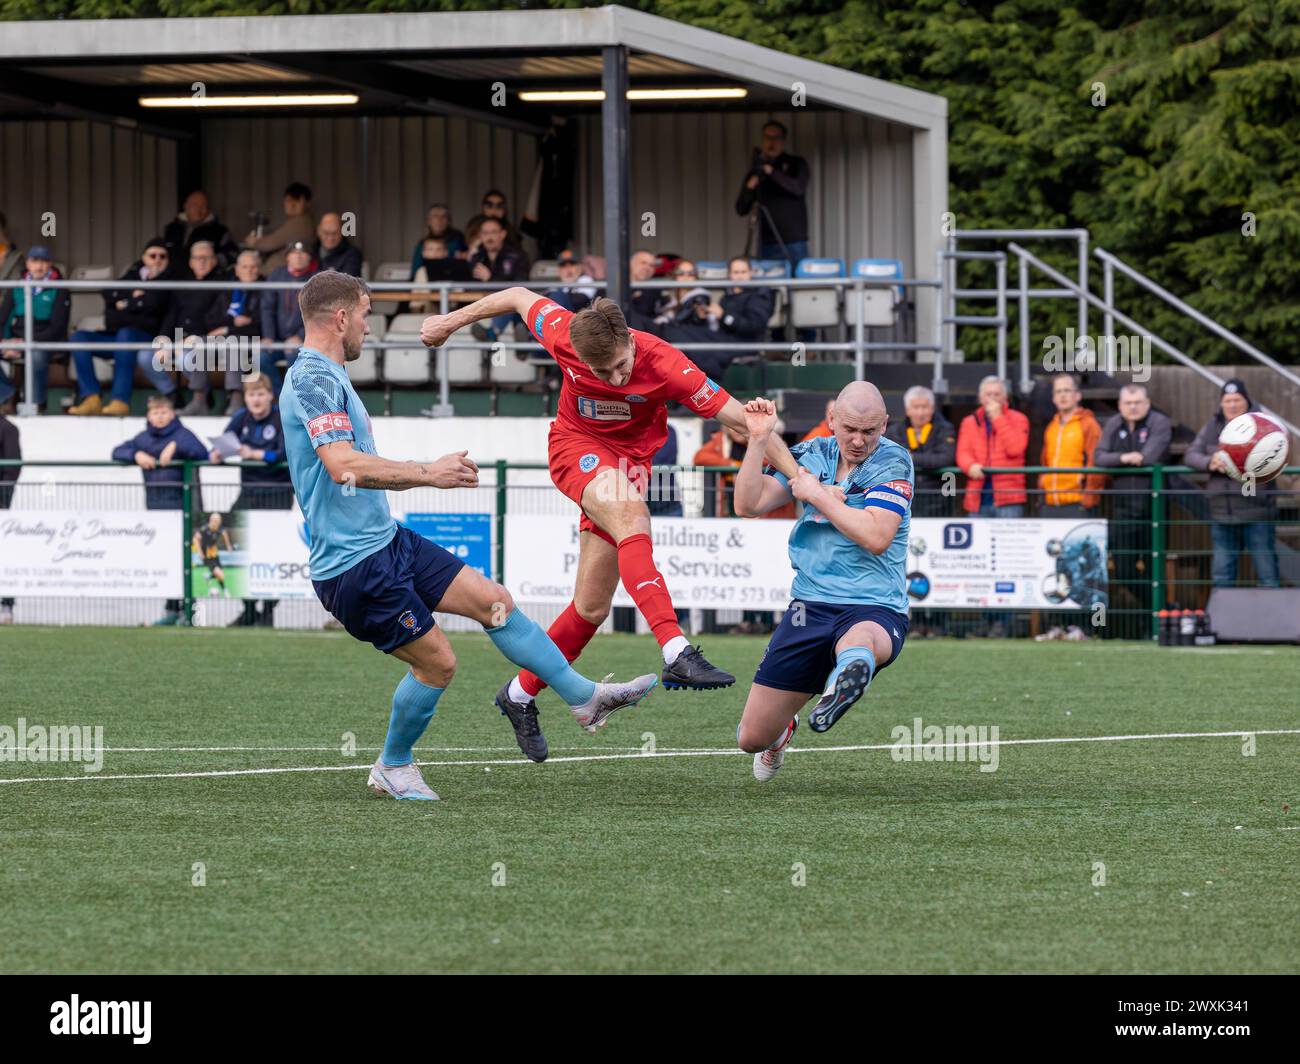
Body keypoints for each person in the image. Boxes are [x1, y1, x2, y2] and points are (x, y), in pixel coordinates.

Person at [280, 271, 657, 798]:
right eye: (365, 314)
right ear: (340, 317)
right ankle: (393, 764)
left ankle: (583, 697)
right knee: (438, 663)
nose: (369, 326)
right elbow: (342, 464)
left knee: (493, 601)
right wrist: (428, 472)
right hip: (353, 567)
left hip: (385, 542)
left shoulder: (330, 375)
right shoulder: (312, 379)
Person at [419, 290, 800, 745]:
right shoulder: (562, 335)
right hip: (575, 450)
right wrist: (450, 322)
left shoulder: (667, 364)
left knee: (591, 608)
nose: (616, 379)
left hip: (629, 468)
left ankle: (518, 695)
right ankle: (676, 648)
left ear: (631, 342)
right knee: (634, 516)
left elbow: (745, 423)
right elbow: (519, 297)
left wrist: (803, 483)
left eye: (621, 366)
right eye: (602, 371)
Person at [731, 383, 912, 782]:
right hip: (808, 607)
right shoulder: (813, 453)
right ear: (831, 419)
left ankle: (845, 679)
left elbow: (876, 537)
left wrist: (817, 494)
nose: (859, 440)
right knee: (751, 738)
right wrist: (759, 441)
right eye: (849, 429)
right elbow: (748, 504)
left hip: (874, 605)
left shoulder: (893, 462)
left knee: (861, 641)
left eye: (870, 431)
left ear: (884, 425)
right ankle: (782, 733)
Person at [110, 393, 209, 625]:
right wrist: (135, 454)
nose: (160, 417)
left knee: (186, 560)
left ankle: (188, 610)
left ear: (172, 413)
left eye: (164, 412)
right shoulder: (143, 439)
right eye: (156, 412)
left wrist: (176, 447)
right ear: (148, 415)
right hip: (156, 510)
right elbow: (116, 452)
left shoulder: (182, 435)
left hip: (184, 508)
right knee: (167, 560)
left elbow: (201, 452)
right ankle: (171, 610)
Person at [209, 373, 292, 627]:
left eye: (259, 394)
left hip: (277, 491)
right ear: (244, 398)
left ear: (269, 396)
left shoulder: (281, 419)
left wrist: (254, 454)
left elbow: (282, 453)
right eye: (250, 395)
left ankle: (267, 611)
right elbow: (223, 443)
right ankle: (247, 608)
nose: (255, 399)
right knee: (236, 546)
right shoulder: (240, 418)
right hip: (248, 492)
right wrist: (216, 453)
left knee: (273, 551)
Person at [1185, 379, 1280, 588]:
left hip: (1257, 512)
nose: (1232, 405)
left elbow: (1277, 456)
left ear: (1246, 401)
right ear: (1222, 403)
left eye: (1237, 400)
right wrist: (1210, 462)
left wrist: (1238, 461)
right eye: (1227, 401)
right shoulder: (1212, 425)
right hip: (1222, 513)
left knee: (1268, 575)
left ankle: (1273, 621)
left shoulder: (1263, 424)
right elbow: (1191, 454)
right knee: (1222, 576)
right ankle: (1223, 621)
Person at [1094, 383, 1172, 635]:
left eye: (1137, 402)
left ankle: (1155, 625)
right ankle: (1157, 611)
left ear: (1147, 403)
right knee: (1124, 569)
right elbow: (1099, 457)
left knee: (1153, 569)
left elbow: (1149, 456)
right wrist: (1124, 458)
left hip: (1154, 509)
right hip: (1123, 508)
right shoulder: (1114, 424)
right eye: (1128, 403)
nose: (1133, 407)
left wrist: (1122, 459)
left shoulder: (1159, 423)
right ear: (1120, 405)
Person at [69, 238, 173, 417]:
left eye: (162, 256)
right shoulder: (132, 275)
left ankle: (120, 401)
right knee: (79, 337)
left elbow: (155, 305)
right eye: (152, 255)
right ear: (144, 258)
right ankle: (91, 397)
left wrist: (126, 303)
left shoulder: (169, 281)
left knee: (125, 334)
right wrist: (136, 300)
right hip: (118, 337)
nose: (157, 260)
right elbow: (109, 295)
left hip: (148, 338)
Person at [664, 256, 773, 381]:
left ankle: (709, 378)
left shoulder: (758, 295)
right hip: (724, 338)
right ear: (729, 274)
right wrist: (705, 316)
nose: (740, 276)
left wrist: (724, 316)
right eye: (736, 272)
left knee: (685, 338)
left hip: (744, 344)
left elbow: (755, 327)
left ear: (750, 273)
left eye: (743, 272)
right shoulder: (727, 296)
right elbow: (720, 324)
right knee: (676, 332)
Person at [156, 240, 228, 415]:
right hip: (179, 339)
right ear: (191, 262)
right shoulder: (183, 282)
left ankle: (202, 396)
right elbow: (171, 314)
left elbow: (218, 319)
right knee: (146, 357)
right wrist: (164, 339)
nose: (202, 262)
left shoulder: (222, 283)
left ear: (214, 260)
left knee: (185, 359)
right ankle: (173, 397)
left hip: (208, 340)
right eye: (198, 258)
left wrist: (192, 338)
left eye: (206, 258)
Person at [0, 245, 69, 413]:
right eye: (35, 261)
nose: (39, 266)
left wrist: (26, 342)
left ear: (50, 264)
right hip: (16, 341)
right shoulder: (16, 287)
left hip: (45, 341)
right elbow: (2, 320)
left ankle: (38, 404)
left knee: (35, 355)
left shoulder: (59, 289)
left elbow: (57, 327)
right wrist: (6, 343)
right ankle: (8, 393)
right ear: (27, 264)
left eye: (44, 261)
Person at [734, 121, 810, 267]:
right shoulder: (757, 170)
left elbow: (798, 189)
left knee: (797, 284)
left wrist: (772, 172)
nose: (772, 142)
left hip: (794, 240)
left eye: (776, 138)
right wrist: (749, 187)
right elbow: (741, 208)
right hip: (767, 241)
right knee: (767, 285)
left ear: (783, 140)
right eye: (767, 138)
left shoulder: (796, 163)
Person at [956, 375, 1030, 517]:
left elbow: (1015, 448)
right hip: (978, 496)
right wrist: (970, 465)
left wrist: (998, 418)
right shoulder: (969, 422)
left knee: (1009, 539)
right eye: (988, 394)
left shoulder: (1019, 419)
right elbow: (962, 453)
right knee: (977, 539)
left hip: (1009, 498)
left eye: (997, 394)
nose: (992, 398)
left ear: (1004, 397)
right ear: (981, 397)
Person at [1039, 373, 1105, 518]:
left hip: (1078, 503)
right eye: (1058, 392)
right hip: (1050, 503)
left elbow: (1096, 463)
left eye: (1067, 391)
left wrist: (1089, 497)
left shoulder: (1088, 424)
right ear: (1053, 398)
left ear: (1077, 396)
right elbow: (1045, 463)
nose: (1063, 395)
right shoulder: (1051, 427)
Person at [885, 385, 956, 518]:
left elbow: (946, 458)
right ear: (907, 410)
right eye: (916, 407)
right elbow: (890, 458)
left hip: (937, 498)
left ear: (932, 408)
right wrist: (926, 458)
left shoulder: (945, 429)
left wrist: (911, 457)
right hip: (903, 496)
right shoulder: (894, 431)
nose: (920, 413)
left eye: (924, 407)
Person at [215, 249, 268, 414]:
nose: (249, 271)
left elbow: (259, 324)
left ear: (259, 269)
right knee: (201, 343)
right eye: (245, 267)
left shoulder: (266, 288)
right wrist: (232, 324)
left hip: (253, 341)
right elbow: (211, 319)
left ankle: (236, 398)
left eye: (253, 267)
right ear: (237, 270)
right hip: (227, 338)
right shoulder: (229, 288)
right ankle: (200, 398)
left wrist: (227, 328)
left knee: (234, 343)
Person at [261, 240, 319, 384]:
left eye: (303, 253)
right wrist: (268, 336)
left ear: (309, 257)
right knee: (258, 358)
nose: (298, 256)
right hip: (276, 339)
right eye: (294, 253)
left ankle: (292, 400)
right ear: (287, 257)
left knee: (295, 357)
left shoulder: (318, 278)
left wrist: (300, 336)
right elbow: (267, 307)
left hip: (305, 340)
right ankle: (276, 397)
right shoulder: (277, 275)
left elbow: (319, 314)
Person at [467, 218, 530, 342]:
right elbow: (468, 285)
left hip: (512, 304)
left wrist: (490, 279)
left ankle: (492, 334)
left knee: (509, 298)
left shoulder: (517, 255)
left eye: (493, 232)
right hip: (482, 303)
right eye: (485, 233)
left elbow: (521, 285)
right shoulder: (476, 257)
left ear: (503, 234)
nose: (489, 237)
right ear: (480, 236)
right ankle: (521, 333)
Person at [244, 182, 314, 273]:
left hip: (281, 276)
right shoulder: (301, 222)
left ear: (305, 202)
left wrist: (255, 242)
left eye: (296, 200)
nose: (292, 205)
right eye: (289, 200)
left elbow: (268, 244)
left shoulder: (300, 222)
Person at [163, 190, 240, 270]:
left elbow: (232, 254)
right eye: (195, 205)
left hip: (208, 279)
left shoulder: (220, 231)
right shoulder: (171, 228)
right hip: (173, 278)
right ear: (186, 206)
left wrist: (214, 260)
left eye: (203, 206)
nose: (199, 209)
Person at [409, 237, 473, 312]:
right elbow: (415, 301)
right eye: (430, 249)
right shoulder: (421, 271)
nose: (434, 253)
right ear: (423, 253)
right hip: (427, 312)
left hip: (454, 311)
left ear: (446, 252)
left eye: (439, 249)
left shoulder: (456, 268)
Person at [409, 203, 467, 277]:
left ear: (449, 221)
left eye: (444, 216)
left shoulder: (458, 239)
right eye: (435, 216)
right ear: (428, 221)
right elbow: (416, 270)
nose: (439, 220)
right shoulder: (422, 243)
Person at [0, 411, 18, 624]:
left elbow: (12, 468)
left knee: (5, 555)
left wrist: (4, 500)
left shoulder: (8, 429)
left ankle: (6, 605)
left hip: (1, 503)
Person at [193, 512, 234, 598]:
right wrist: (200, 552)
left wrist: (228, 546)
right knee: (220, 574)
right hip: (206, 556)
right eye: (215, 521)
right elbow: (195, 539)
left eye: (218, 521)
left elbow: (224, 534)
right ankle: (225, 590)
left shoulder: (219, 528)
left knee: (221, 575)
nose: (217, 523)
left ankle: (209, 577)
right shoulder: (204, 529)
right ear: (210, 520)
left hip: (214, 554)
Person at [543, 249, 597, 313]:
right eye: (563, 266)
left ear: (580, 267)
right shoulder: (555, 286)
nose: (568, 270)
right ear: (559, 270)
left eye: (572, 264)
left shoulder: (586, 280)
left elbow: (580, 301)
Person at [315, 212, 363, 277]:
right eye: (326, 233)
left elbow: (347, 282)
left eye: (335, 233)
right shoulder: (312, 252)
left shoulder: (352, 255)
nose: (330, 238)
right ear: (319, 231)